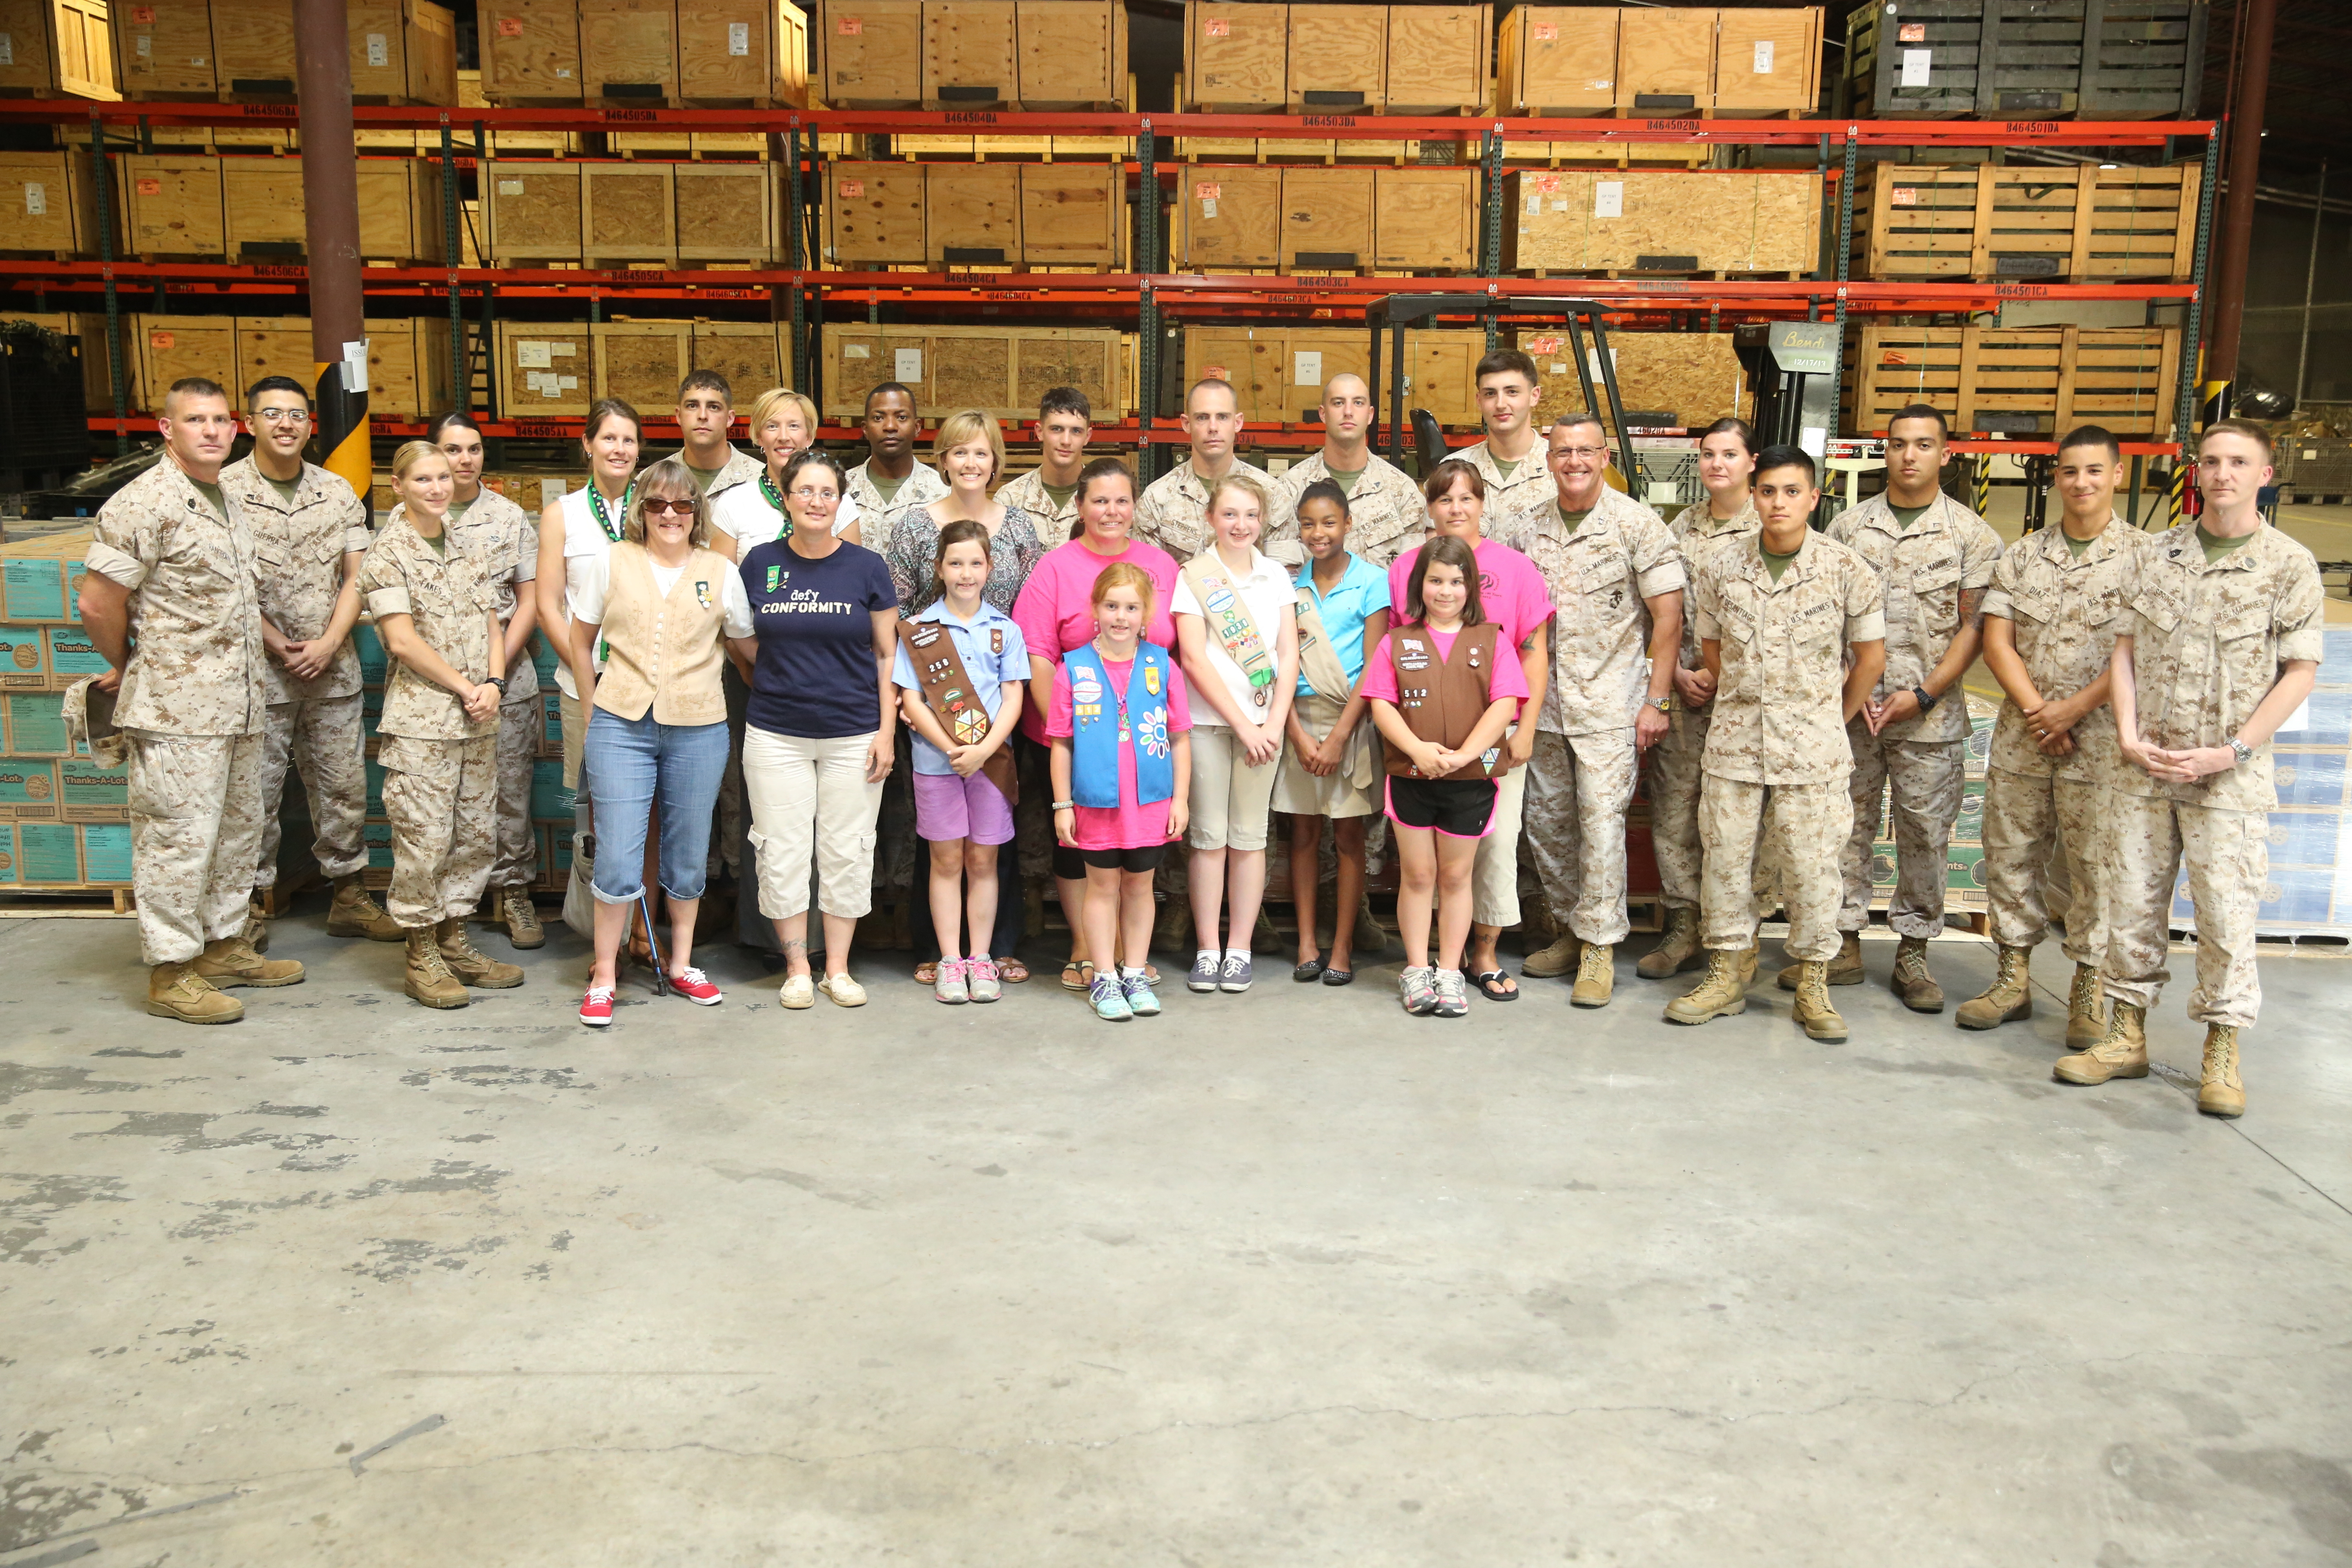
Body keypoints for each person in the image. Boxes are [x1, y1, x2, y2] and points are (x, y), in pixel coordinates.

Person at [2065, 419, 2324, 1119]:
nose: (2222, 474)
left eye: (2239, 462)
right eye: (2211, 461)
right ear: (2196, 472)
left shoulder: (2288, 565)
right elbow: (2122, 651)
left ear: (2265, 474)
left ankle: (2222, 1051)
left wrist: (2233, 750)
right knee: (2130, 904)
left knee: (2226, 914)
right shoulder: (2155, 555)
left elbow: (2300, 673)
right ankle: (2126, 1036)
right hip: (2144, 767)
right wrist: (2124, 731)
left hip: (2227, 776)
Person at [80, 376, 300, 1023]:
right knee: (178, 838)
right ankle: (171, 971)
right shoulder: (143, 503)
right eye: (195, 420)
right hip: (177, 708)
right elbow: (97, 602)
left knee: (236, 832)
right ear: (166, 430)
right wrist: (131, 663)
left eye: (219, 420)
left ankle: (224, 945)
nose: (210, 430)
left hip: (239, 702)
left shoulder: (226, 497)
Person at [1667, 447, 1886, 1042]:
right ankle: (1725, 973)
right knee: (1727, 861)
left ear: (1814, 498)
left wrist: (1833, 716)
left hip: (1813, 751)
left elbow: (1870, 658)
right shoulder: (1722, 566)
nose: (1779, 503)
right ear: (1755, 495)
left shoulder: (1846, 569)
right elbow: (1713, 649)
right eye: (1768, 492)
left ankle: (1813, 982)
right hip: (1736, 745)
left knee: (1814, 867)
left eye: (1792, 492)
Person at [1964, 425, 2156, 1043]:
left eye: (2094, 471)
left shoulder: (2147, 559)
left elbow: (2143, 651)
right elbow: (1998, 640)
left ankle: (2087, 992)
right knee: (2011, 853)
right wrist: (2037, 710)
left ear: (2118, 475)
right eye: (2070, 471)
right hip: (2026, 736)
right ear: (2056, 477)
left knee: (2096, 867)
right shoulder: (2022, 556)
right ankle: (2012, 980)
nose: (2081, 483)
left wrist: (2072, 709)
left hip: (2102, 742)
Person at [1809, 403, 2002, 1011]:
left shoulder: (1973, 537)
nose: (1909, 455)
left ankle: (1914, 952)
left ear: (1946, 456)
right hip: (1855, 711)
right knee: (1845, 827)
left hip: (1930, 716)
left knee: (1925, 832)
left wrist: (1922, 694)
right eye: (1898, 444)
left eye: (1923, 445)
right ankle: (1841, 943)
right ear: (1884, 452)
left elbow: (1974, 630)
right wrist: (1856, 688)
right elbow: (1829, 617)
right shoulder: (1848, 529)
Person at [1506, 415, 1684, 1008]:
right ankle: (1568, 929)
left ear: (1604, 456)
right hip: (1545, 709)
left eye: (1585, 451)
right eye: (1563, 452)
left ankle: (1601, 948)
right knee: (1548, 829)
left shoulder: (1636, 524)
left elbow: (1667, 618)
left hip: (1611, 707)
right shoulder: (1527, 527)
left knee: (1602, 829)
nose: (1574, 462)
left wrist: (1657, 700)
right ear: (1549, 458)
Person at [566, 457, 752, 1026]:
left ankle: (682, 963)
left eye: (682, 505)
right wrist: (595, 705)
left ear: (698, 513)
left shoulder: (721, 571)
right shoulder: (612, 562)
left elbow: (746, 646)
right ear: (640, 510)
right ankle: (604, 970)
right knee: (619, 852)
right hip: (622, 725)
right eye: (656, 504)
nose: (669, 514)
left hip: (698, 727)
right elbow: (580, 641)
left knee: (688, 850)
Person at [217, 375, 388, 949]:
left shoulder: (336, 492)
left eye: (296, 414)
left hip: (330, 670)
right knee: (254, 797)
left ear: (310, 423)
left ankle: (349, 895)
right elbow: (228, 587)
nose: (286, 424)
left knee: (343, 789)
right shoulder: (224, 491)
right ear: (250, 423)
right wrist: (276, 643)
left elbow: (358, 577)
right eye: (272, 413)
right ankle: (246, 912)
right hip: (259, 675)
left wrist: (328, 643)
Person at [877, 410, 1048, 980]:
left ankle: (993, 950)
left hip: (998, 696)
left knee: (993, 840)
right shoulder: (912, 526)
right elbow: (897, 614)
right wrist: (919, 700)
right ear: (943, 459)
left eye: (982, 453)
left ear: (996, 461)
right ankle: (941, 952)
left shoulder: (1020, 528)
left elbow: (1030, 609)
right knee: (942, 843)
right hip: (934, 701)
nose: (971, 463)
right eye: (960, 452)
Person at [358, 442, 524, 1009]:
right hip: (424, 723)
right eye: (422, 479)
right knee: (424, 840)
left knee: (475, 836)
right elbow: (402, 640)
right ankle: (421, 952)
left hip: (479, 716)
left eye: (442, 477)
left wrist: (495, 685)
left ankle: (456, 939)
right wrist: (465, 687)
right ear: (398, 487)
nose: (436, 487)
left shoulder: (466, 545)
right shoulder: (388, 555)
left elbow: (492, 622)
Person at [1386, 460, 1555, 1001]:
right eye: (1444, 499)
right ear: (1429, 506)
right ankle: (1433, 962)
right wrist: (1412, 745)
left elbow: (1532, 653)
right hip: (1418, 753)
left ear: (1483, 503)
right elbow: (1395, 658)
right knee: (1424, 866)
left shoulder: (1517, 569)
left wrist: (1523, 730)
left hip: (1490, 745)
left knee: (1495, 847)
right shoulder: (1406, 568)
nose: (1456, 509)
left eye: (1467, 498)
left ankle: (1479, 954)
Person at [1011, 458, 1181, 995]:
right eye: (1100, 500)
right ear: (1080, 506)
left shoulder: (1162, 565)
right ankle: (1086, 946)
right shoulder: (1055, 568)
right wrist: (1073, 728)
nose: (1111, 511)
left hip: (1143, 736)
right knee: (1078, 841)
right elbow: (1036, 651)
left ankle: (1130, 960)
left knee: (1137, 849)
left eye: (1122, 500)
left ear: (1136, 507)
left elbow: (1177, 645)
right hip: (1071, 729)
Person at [738, 449, 901, 1008]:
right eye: (804, 491)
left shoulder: (866, 567)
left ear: (840, 501)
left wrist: (886, 732)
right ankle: (796, 969)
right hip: (776, 731)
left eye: (826, 492)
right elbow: (739, 636)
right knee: (781, 851)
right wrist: (775, 678)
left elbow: (887, 654)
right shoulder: (759, 563)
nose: (815, 502)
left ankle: (837, 968)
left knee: (847, 850)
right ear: (786, 498)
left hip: (854, 731)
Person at [1362, 535, 1527, 1020]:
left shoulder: (1493, 640)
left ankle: (1451, 971)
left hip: (1470, 781)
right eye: (1436, 580)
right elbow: (1380, 704)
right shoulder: (1398, 641)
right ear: (1421, 586)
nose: (1446, 590)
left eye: (1456, 581)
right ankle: (1417, 970)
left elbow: (1505, 702)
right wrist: (1416, 749)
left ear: (1470, 587)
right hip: (1412, 778)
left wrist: (1467, 755)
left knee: (1455, 877)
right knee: (1418, 876)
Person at [1642, 417, 1762, 981]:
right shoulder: (1677, 529)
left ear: (1751, 462)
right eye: (1709, 454)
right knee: (1674, 813)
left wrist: (1720, 672)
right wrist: (1672, 676)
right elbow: (1657, 612)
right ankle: (1683, 926)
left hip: (1745, 705)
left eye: (1730, 454)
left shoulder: (1773, 525)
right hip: (1685, 693)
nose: (1718, 465)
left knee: (1737, 823)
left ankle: (1734, 936)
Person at [1048, 562, 1193, 1022]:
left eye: (1131, 607)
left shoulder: (1161, 665)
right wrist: (1062, 804)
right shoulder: (1072, 668)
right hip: (1095, 802)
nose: (1120, 617)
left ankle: (1134, 971)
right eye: (1111, 606)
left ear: (1146, 613)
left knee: (1140, 886)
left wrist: (1181, 799)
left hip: (1150, 801)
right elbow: (1061, 743)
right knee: (1102, 886)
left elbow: (1181, 737)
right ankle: (1105, 976)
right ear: (1095, 609)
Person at [1172, 471, 1299, 995]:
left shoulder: (1276, 577)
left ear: (1263, 520)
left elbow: (1290, 654)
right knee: (1207, 839)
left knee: (1250, 840)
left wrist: (1270, 725)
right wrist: (1244, 725)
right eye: (1229, 514)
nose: (1240, 524)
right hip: (1206, 724)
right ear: (1210, 519)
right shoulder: (1193, 576)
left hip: (1265, 731)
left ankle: (1240, 949)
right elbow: (1193, 658)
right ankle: (1208, 949)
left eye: (1250, 515)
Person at [894, 521, 1028, 1004]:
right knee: (946, 860)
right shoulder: (920, 631)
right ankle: (951, 960)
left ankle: (981, 958)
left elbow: (1014, 697)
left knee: (984, 859)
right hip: (937, 763)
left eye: (975, 563)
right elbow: (910, 700)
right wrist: (952, 748)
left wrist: (984, 750)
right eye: (955, 563)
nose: (965, 573)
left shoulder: (1005, 630)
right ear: (939, 568)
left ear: (990, 568)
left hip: (991, 765)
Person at [431, 411, 546, 951]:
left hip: (506, 681)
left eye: (473, 449)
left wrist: (498, 674)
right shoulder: (416, 520)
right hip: (435, 685)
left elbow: (529, 601)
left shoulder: (507, 517)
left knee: (509, 793)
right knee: (442, 798)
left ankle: (513, 891)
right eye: (453, 450)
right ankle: (448, 904)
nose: (465, 459)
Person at [1272, 480, 1388, 986]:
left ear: (1348, 524)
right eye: (1307, 524)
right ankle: (1306, 942)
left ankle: (1342, 946)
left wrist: (1341, 736)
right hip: (1298, 719)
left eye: (1328, 523)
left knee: (1347, 836)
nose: (1318, 534)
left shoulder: (1372, 582)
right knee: (1302, 833)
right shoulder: (1288, 587)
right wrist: (1295, 735)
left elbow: (1375, 665)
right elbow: (1279, 663)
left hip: (1351, 720)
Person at [536, 399, 642, 920]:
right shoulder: (562, 515)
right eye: (609, 438)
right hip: (585, 684)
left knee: (648, 807)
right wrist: (585, 672)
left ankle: (646, 928)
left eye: (628, 440)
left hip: (648, 683)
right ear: (588, 445)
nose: (619, 449)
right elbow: (548, 603)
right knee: (596, 809)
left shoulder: (659, 507)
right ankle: (604, 931)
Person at [1267, 373, 1429, 568]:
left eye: (1358, 403)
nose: (1348, 412)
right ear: (1323, 413)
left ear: (1370, 415)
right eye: (1338, 403)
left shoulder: (1402, 492)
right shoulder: (1289, 491)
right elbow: (1283, 576)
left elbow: (1411, 577)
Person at [1134, 377, 1278, 562]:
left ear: (1238, 422)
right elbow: (1149, 579)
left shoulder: (1271, 494)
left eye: (1222, 417)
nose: (1213, 428)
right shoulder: (1157, 499)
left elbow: (1283, 575)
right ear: (1186, 424)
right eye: (1202, 418)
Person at [710, 388, 862, 558]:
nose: (783, 436)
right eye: (772, 426)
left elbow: (853, 574)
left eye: (794, 426)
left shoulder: (837, 502)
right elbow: (721, 580)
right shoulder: (733, 503)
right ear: (759, 437)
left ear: (809, 437)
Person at [1446, 349, 1557, 541]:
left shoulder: (1562, 469)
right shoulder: (1453, 469)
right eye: (1490, 394)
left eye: (1512, 392)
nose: (1500, 404)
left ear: (1535, 396)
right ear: (1479, 400)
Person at [993, 385, 1095, 541]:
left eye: (1076, 431)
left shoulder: (1106, 500)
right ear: (1040, 432)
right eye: (1057, 429)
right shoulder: (1010, 501)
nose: (1066, 441)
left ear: (1087, 437)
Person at [845, 382, 947, 523]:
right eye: (878, 418)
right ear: (865, 429)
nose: (890, 427)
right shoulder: (842, 489)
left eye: (902, 417)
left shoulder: (943, 492)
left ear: (917, 427)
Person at [673, 370, 765, 501]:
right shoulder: (652, 481)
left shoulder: (760, 482)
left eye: (714, 407)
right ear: (679, 415)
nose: (703, 416)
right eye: (692, 406)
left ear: (730, 418)